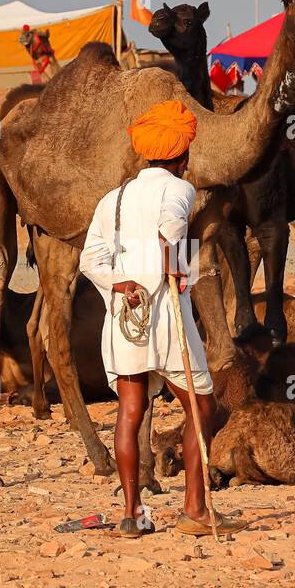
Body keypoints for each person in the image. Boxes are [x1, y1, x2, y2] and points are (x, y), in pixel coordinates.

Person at [79, 99, 248, 539]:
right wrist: (173, 257)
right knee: (201, 405)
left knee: (130, 411)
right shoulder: (180, 189)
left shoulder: (112, 200)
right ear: (183, 154)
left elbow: (90, 259)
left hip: (126, 313)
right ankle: (194, 508)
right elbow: (171, 225)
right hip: (167, 313)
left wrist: (120, 283)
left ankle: (133, 513)